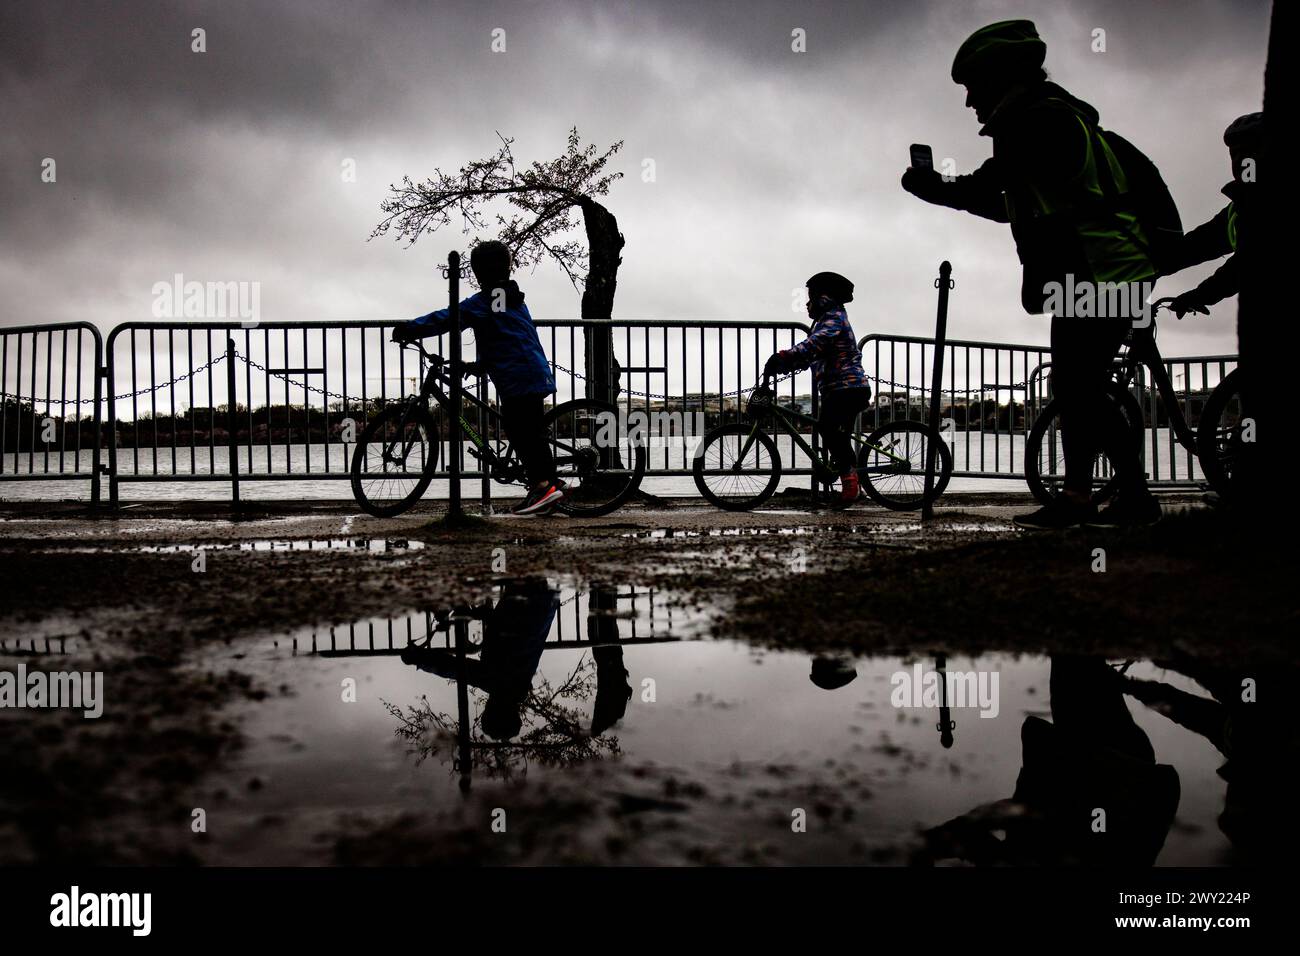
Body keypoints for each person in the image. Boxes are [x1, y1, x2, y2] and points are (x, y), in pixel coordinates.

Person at [901, 20, 1164, 529]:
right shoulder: (1049, 117)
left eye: (972, 86)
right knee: (1077, 385)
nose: (969, 101)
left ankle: (1126, 498)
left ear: (1000, 76)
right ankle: (1088, 498)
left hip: (1104, 270)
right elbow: (1008, 207)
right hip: (1105, 269)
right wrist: (945, 190)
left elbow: (985, 190)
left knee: (1079, 386)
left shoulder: (1036, 120)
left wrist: (934, 187)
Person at [393, 240, 563, 515]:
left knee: (523, 432)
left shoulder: (484, 301)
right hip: (526, 371)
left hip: (519, 376)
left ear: (479, 270)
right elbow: (507, 337)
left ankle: (545, 487)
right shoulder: (511, 297)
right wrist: (477, 366)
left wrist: (410, 329)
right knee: (526, 430)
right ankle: (544, 489)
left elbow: (448, 317)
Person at [764, 272, 871, 507]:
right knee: (835, 435)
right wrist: (786, 364)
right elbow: (812, 354)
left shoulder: (833, 318)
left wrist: (784, 355)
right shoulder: (826, 319)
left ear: (822, 298)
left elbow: (816, 343)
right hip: (840, 388)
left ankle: (851, 485)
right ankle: (851, 482)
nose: (806, 303)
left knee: (829, 429)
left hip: (848, 387)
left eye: (810, 297)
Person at [1164, 113, 1262, 318]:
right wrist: (1147, 267)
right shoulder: (1238, 209)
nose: (1242, 162)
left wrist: (1200, 295)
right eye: (1235, 155)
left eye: (1250, 153)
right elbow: (1198, 245)